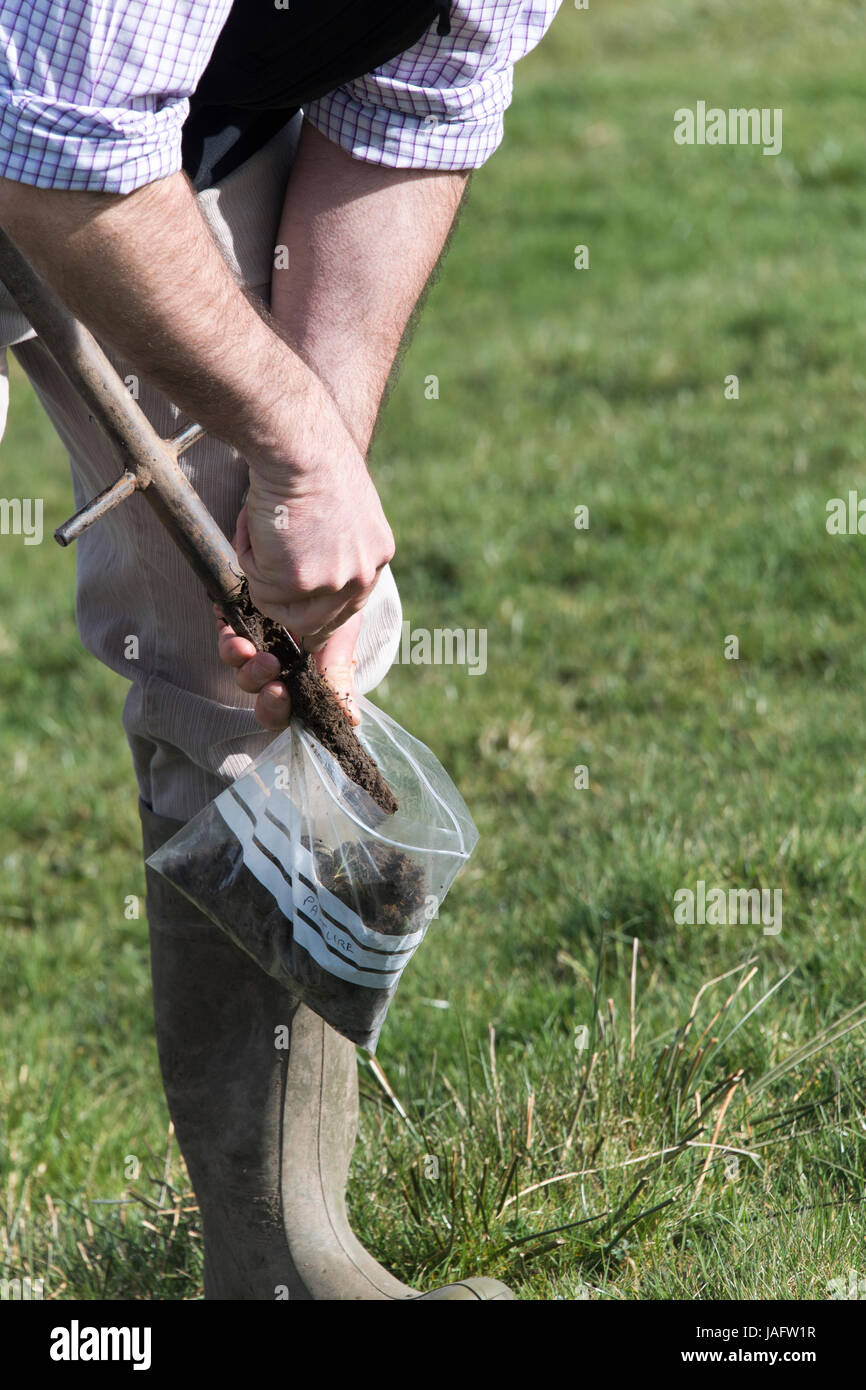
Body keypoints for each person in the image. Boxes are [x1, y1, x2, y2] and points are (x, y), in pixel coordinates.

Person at [0, 1, 561, 1299]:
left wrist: (305, 461)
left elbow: (415, 95)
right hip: (73, 130)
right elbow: (61, 153)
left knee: (279, 654)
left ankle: (284, 1267)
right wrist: (296, 447)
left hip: (127, 125)